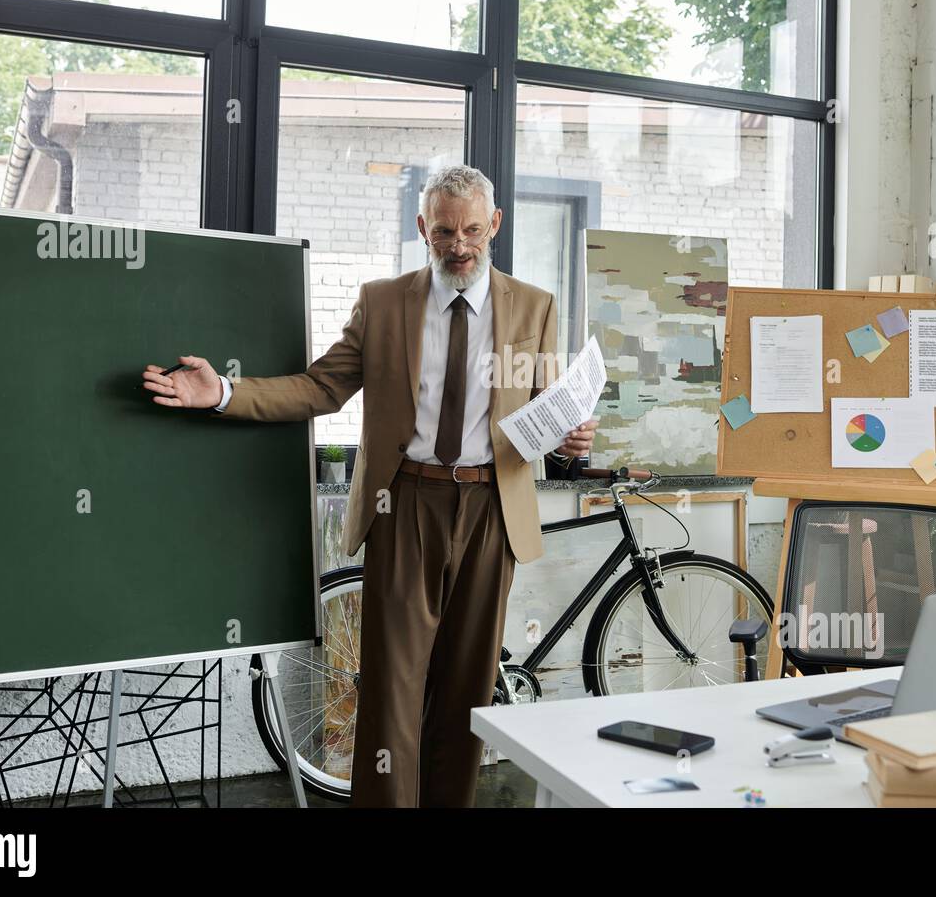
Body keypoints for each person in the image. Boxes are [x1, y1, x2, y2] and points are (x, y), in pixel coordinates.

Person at [140, 164, 597, 807]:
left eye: (471, 229)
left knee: (469, 688)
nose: (459, 244)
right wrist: (223, 393)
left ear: (494, 225)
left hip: (494, 508)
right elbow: (320, 386)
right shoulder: (384, 303)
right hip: (405, 501)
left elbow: (549, 410)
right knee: (391, 687)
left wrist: (574, 440)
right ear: (423, 228)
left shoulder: (535, 306)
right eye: (444, 230)